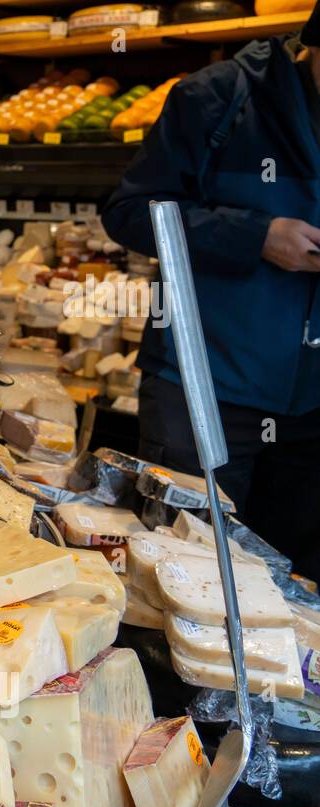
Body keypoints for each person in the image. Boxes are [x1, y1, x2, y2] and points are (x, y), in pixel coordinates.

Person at [102, 9, 320, 581]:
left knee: (291, 592)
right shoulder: (219, 98)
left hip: (311, 411)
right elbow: (129, 213)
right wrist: (255, 237)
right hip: (204, 395)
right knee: (186, 576)